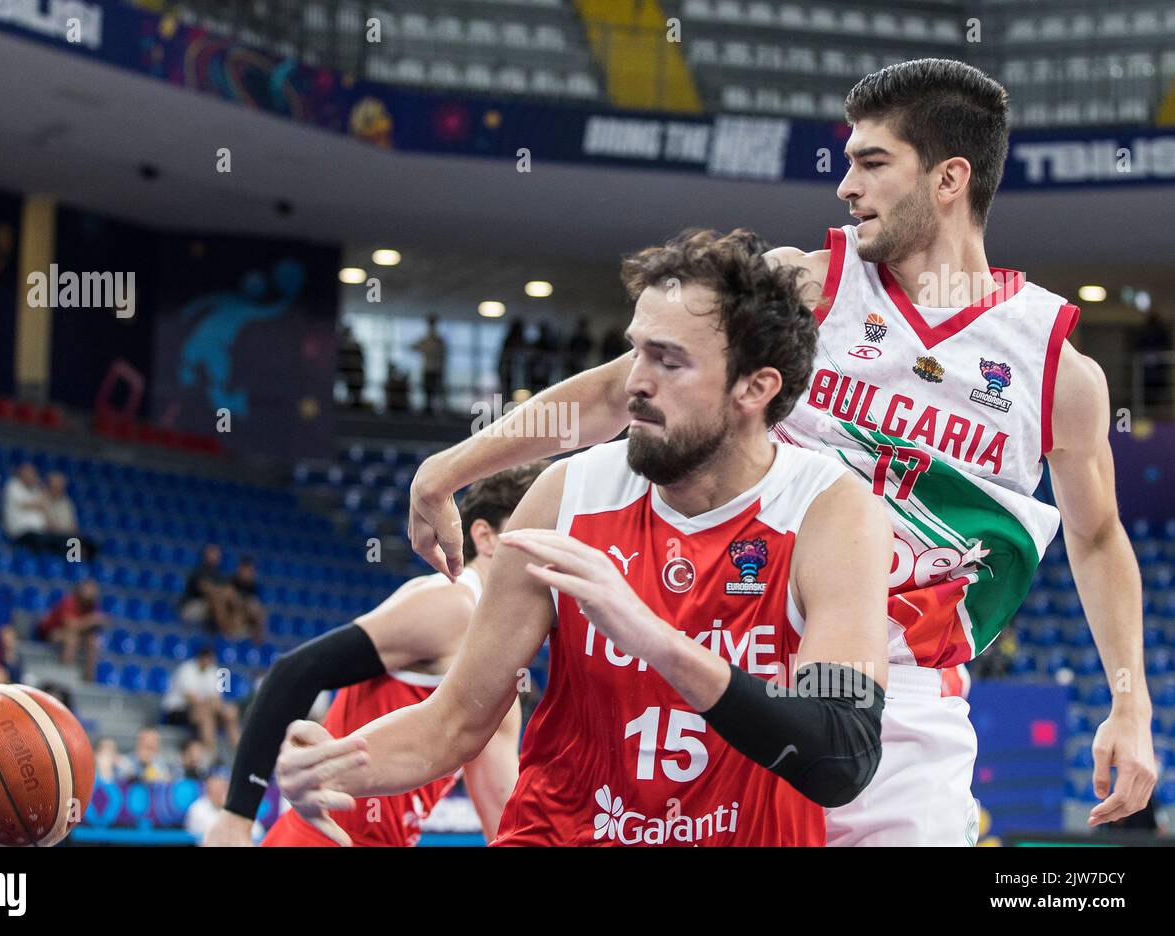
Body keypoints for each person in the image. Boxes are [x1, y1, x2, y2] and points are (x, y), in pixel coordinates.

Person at [402, 59, 1157, 843]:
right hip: (749, 675)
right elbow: (616, 393)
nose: (845, 185)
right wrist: (453, 468)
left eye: (872, 163)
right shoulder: (804, 285)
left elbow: (1097, 537)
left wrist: (1129, 703)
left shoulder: (1056, 366)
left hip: (905, 706)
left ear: (949, 178)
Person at [273, 230, 891, 846]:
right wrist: (334, 765)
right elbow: (453, 724)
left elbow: (840, 756)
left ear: (755, 388)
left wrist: (654, 640)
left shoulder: (832, 512)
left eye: (668, 361)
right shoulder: (567, 494)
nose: (634, 383)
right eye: (636, 352)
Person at [204, 464, 544, 848]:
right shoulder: (451, 604)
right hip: (319, 839)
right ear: (487, 537)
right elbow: (296, 671)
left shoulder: (503, 664)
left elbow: (502, 815)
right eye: (541, 529)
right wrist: (237, 815)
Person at [161, 646, 240, 756]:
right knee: (205, 715)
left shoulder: (213, 671)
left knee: (229, 713)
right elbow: (191, 699)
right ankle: (212, 754)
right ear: (201, 658)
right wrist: (212, 705)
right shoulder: (186, 669)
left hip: (203, 710)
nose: (211, 663)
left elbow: (217, 699)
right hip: (177, 711)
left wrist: (222, 709)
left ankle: (239, 751)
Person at [38, 579, 106, 682]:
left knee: (93, 641)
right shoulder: (69, 602)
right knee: (71, 639)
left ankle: (89, 676)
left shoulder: (92, 606)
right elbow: (70, 625)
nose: (90, 592)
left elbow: (99, 623)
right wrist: (91, 620)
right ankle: (64, 674)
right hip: (51, 632)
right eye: (88, 589)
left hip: (76, 634)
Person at [179, 544, 240, 636]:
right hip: (192, 607)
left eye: (217, 554)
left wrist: (225, 593)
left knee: (237, 603)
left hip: (212, 609)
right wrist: (222, 592)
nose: (214, 556)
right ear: (205, 555)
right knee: (216, 600)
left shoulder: (220, 576)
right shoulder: (198, 572)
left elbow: (230, 592)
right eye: (212, 553)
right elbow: (207, 590)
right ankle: (227, 635)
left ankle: (235, 634)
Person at [43, 472, 96, 561]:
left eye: (61, 485)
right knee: (70, 543)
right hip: (52, 535)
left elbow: (73, 524)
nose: (59, 488)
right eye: (56, 485)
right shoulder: (43, 499)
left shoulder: (66, 502)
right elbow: (48, 523)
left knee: (91, 546)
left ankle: (78, 568)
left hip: (66, 534)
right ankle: (67, 566)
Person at [411, 315, 447, 413]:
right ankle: (429, 408)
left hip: (435, 369)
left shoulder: (438, 341)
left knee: (434, 391)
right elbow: (414, 347)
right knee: (428, 391)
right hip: (429, 369)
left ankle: (437, 409)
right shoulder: (428, 340)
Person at [230, 556, 265, 642]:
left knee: (259, 611)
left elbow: (254, 603)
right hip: (232, 613)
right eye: (248, 570)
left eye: (252, 571)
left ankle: (259, 643)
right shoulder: (231, 582)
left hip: (247, 614)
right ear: (240, 569)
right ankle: (234, 639)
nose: (250, 573)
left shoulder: (252, 587)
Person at [337, 325, 367, 409]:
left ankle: (356, 406)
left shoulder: (355, 345)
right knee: (352, 394)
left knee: (356, 395)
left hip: (356, 373)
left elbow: (361, 359)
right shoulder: (343, 346)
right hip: (350, 374)